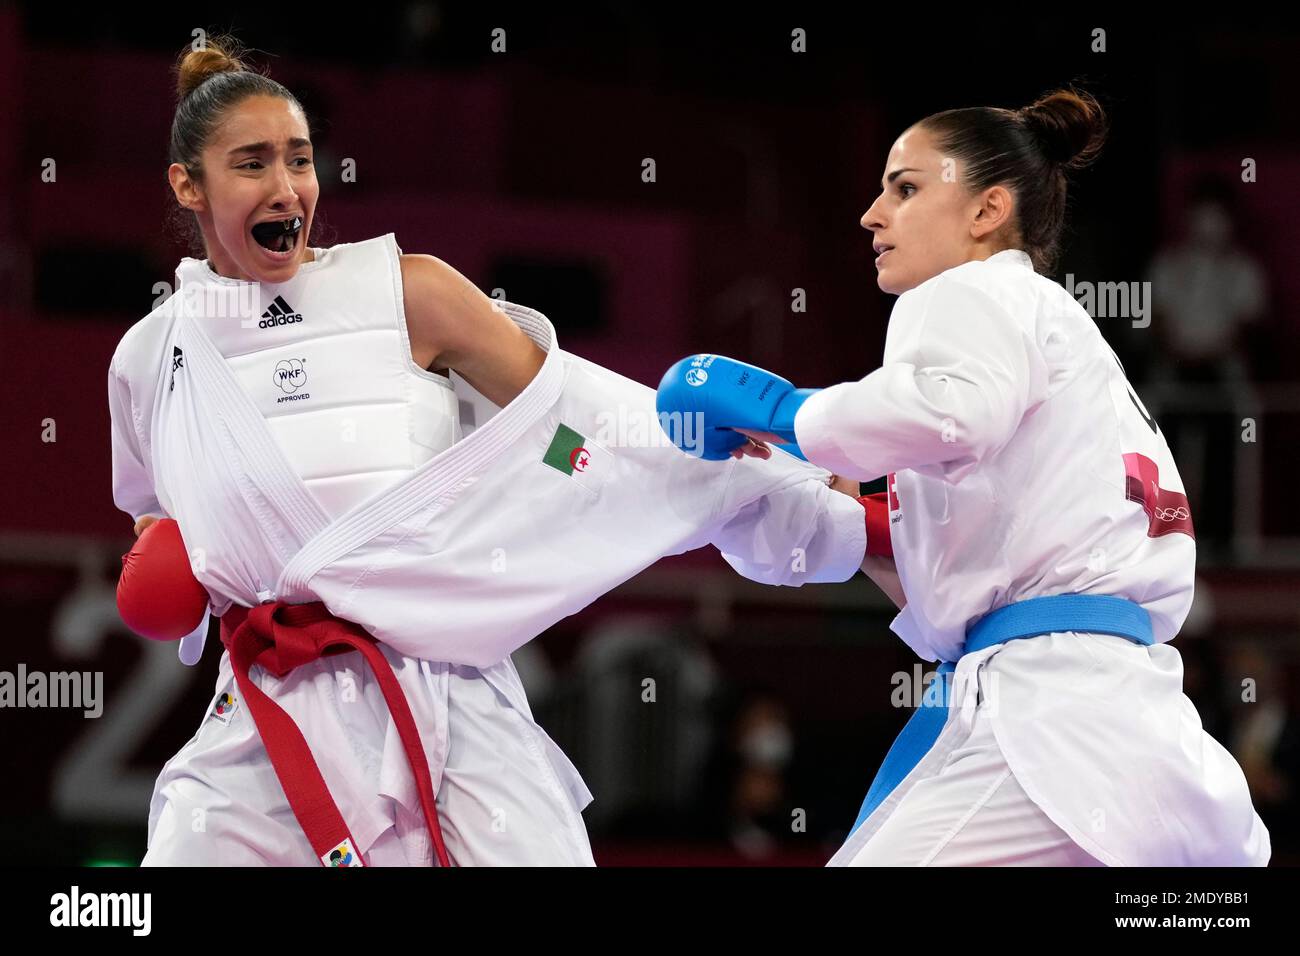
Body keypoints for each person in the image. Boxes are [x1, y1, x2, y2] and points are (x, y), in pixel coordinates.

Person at [110, 36, 873, 866]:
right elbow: (156, 509)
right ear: (189, 185)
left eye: (299, 159)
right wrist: (164, 559)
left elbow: (567, 419)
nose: (287, 186)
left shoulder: (407, 291)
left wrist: (771, 454)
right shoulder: (149, 358)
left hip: (439, 686)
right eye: (251, 164)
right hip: (264, 708)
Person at [656, 87, 1270, 866]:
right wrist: (835, 513)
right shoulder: (1065, 343)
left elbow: (952, 414)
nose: (871, 216)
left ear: (986, 212)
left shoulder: (972, 290)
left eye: (905, 188)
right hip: (1136, 726)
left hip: (1053, 726)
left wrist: (782, 411)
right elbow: (962, 563)